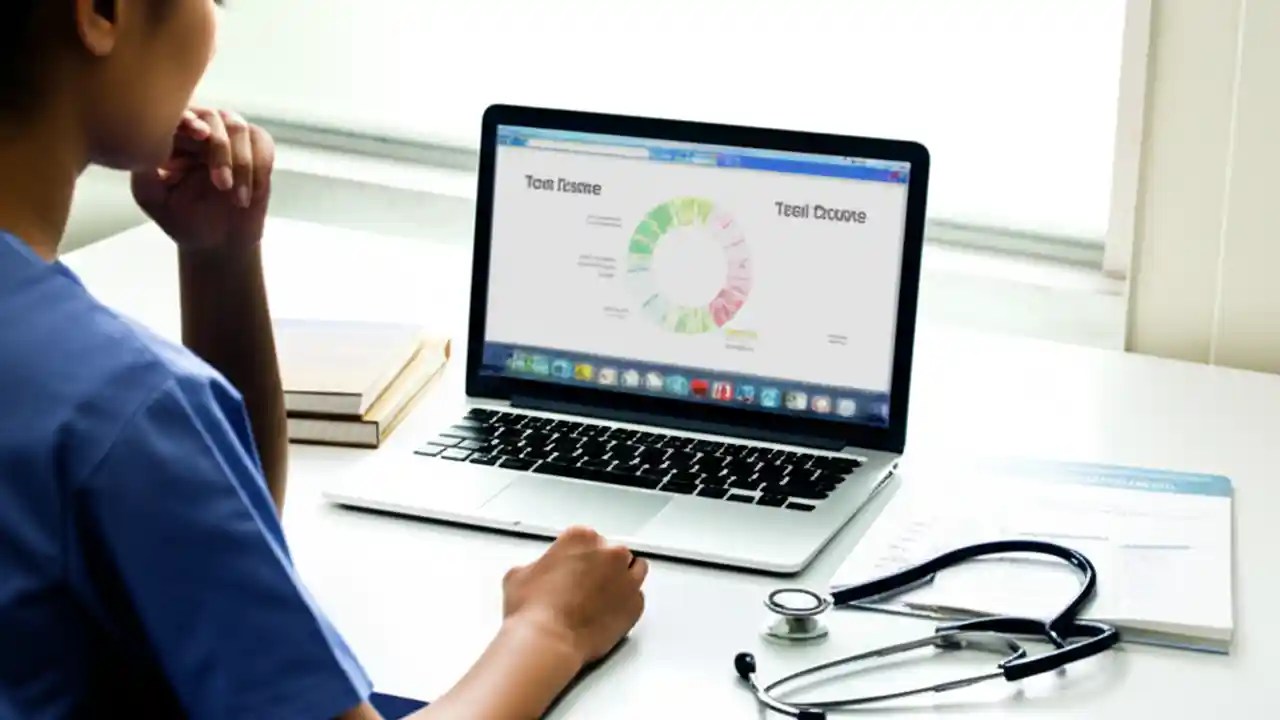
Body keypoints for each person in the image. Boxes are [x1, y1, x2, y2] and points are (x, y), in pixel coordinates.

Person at [0, 1, 648, 718]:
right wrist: (551, 627)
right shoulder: (129, 408)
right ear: (101, 12)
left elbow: (212, 536)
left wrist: (220, 259)